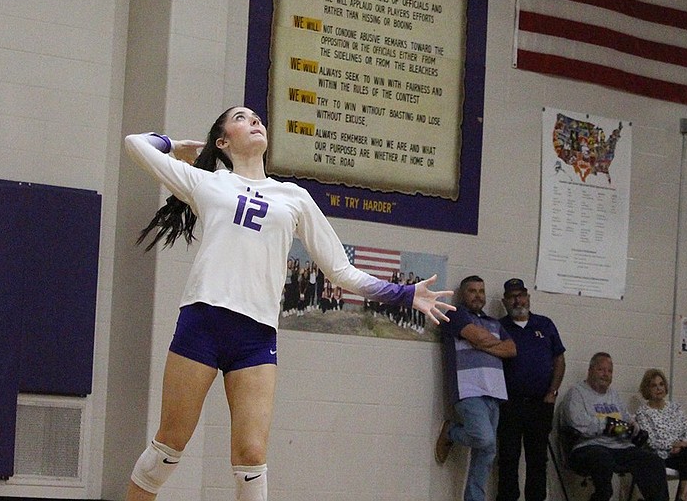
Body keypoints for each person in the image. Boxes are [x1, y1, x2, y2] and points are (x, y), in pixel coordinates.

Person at [121, 107, 455, 501]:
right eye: (242, 118)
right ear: (223, 141)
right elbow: (135, 144)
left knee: (251, 460)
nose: (255, 121)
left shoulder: (294, 197)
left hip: (257, 336)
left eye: (258, 118)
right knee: (169, 448)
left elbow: (341, 271)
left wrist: (404, 293)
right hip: (203, 321)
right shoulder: (206, 183)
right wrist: (177, 146)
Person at [435, 276, 517, 501]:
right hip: (468, 389)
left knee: (487, 453)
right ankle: (451, 431)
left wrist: (483, 345)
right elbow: (476, 336)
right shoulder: (454, 314)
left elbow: (511, 350)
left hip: (495, 392)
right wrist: (484, 342)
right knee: (484, 439)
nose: (478, 295)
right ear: (463, 294)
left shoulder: (495, 322)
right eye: (472, 291)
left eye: (481, 291)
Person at [559, 352, 669, 501]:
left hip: (619, 447)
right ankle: (600, 497)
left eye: (610, 371)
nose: (606, 374)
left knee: (653, 461)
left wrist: (632, 426)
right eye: (601, 370)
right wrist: (609, 425)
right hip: (589, 447)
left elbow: (627, 421)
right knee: (602, 459)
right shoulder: (576, 393)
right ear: (590, 371)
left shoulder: (614, 395)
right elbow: (578, 424)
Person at [496, 277, 565, 501]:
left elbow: (559, 359)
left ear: (528, 297)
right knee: (508, 459)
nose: (518, 301)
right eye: (512, 297)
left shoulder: (545, 325)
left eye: (521, 295)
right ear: (505, 301)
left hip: (540, 404)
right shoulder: (499, 327)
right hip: (510, 404)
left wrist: (552, 392)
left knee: (537, 461)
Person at [634, 369, 687, 501]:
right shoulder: (643, 412)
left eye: (661, 384)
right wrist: (675, 445)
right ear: (647, 389)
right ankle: (683, 497)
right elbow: (650, 441)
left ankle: (683, 496)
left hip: (681, 454)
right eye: (654, 385)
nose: (659, 388)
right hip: (661, 457)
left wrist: (682, 445)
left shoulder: (675, 408)